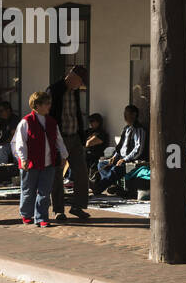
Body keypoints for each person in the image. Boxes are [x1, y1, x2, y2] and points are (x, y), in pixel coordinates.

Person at [12, 90, 68, 228]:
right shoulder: (26, 122)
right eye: (46, 103)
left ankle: (42, 217)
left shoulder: (52, 122)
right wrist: (23, 158)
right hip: (30, 163)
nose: (49, 106)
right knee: (28, 190)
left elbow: (58, 140)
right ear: (37, 105)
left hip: (48, 163)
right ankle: (26, 214)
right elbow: (20, 142)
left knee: (44, 192)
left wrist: (64, 156)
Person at [47, 64, 90, 222]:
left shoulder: (75, 92)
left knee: (81, 172)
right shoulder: (54, 90)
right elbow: (48, 116)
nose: (80, 85)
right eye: (79, 82)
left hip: (75, 137)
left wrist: (81, 134)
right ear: (72, 77)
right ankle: (58, 210)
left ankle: (77, 206)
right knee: (57, 174)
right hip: (60, 138)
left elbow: (76, 113)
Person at [91, 106, 147, 197]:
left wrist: (125, 159)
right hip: (121, 158)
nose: (125, 116)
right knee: (101, 164)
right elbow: (120, 147)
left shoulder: (139, 129)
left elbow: (138, 149)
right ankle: (114, 186)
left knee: (116, 169)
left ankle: (98, 188)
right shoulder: (126, 129)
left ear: (134, 114)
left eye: (127, 114)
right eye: (124, 114)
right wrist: (114, 157)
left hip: (131, 161)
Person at [0, 102, 19, 167]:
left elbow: (13, 137)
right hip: (4, 143)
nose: (0, 113)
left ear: (8, 110)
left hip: (13, 143)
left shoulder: (14, 119)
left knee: (2, 148)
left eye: (1, 111)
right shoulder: (1, 120)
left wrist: (1, 144)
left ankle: (2, 170)